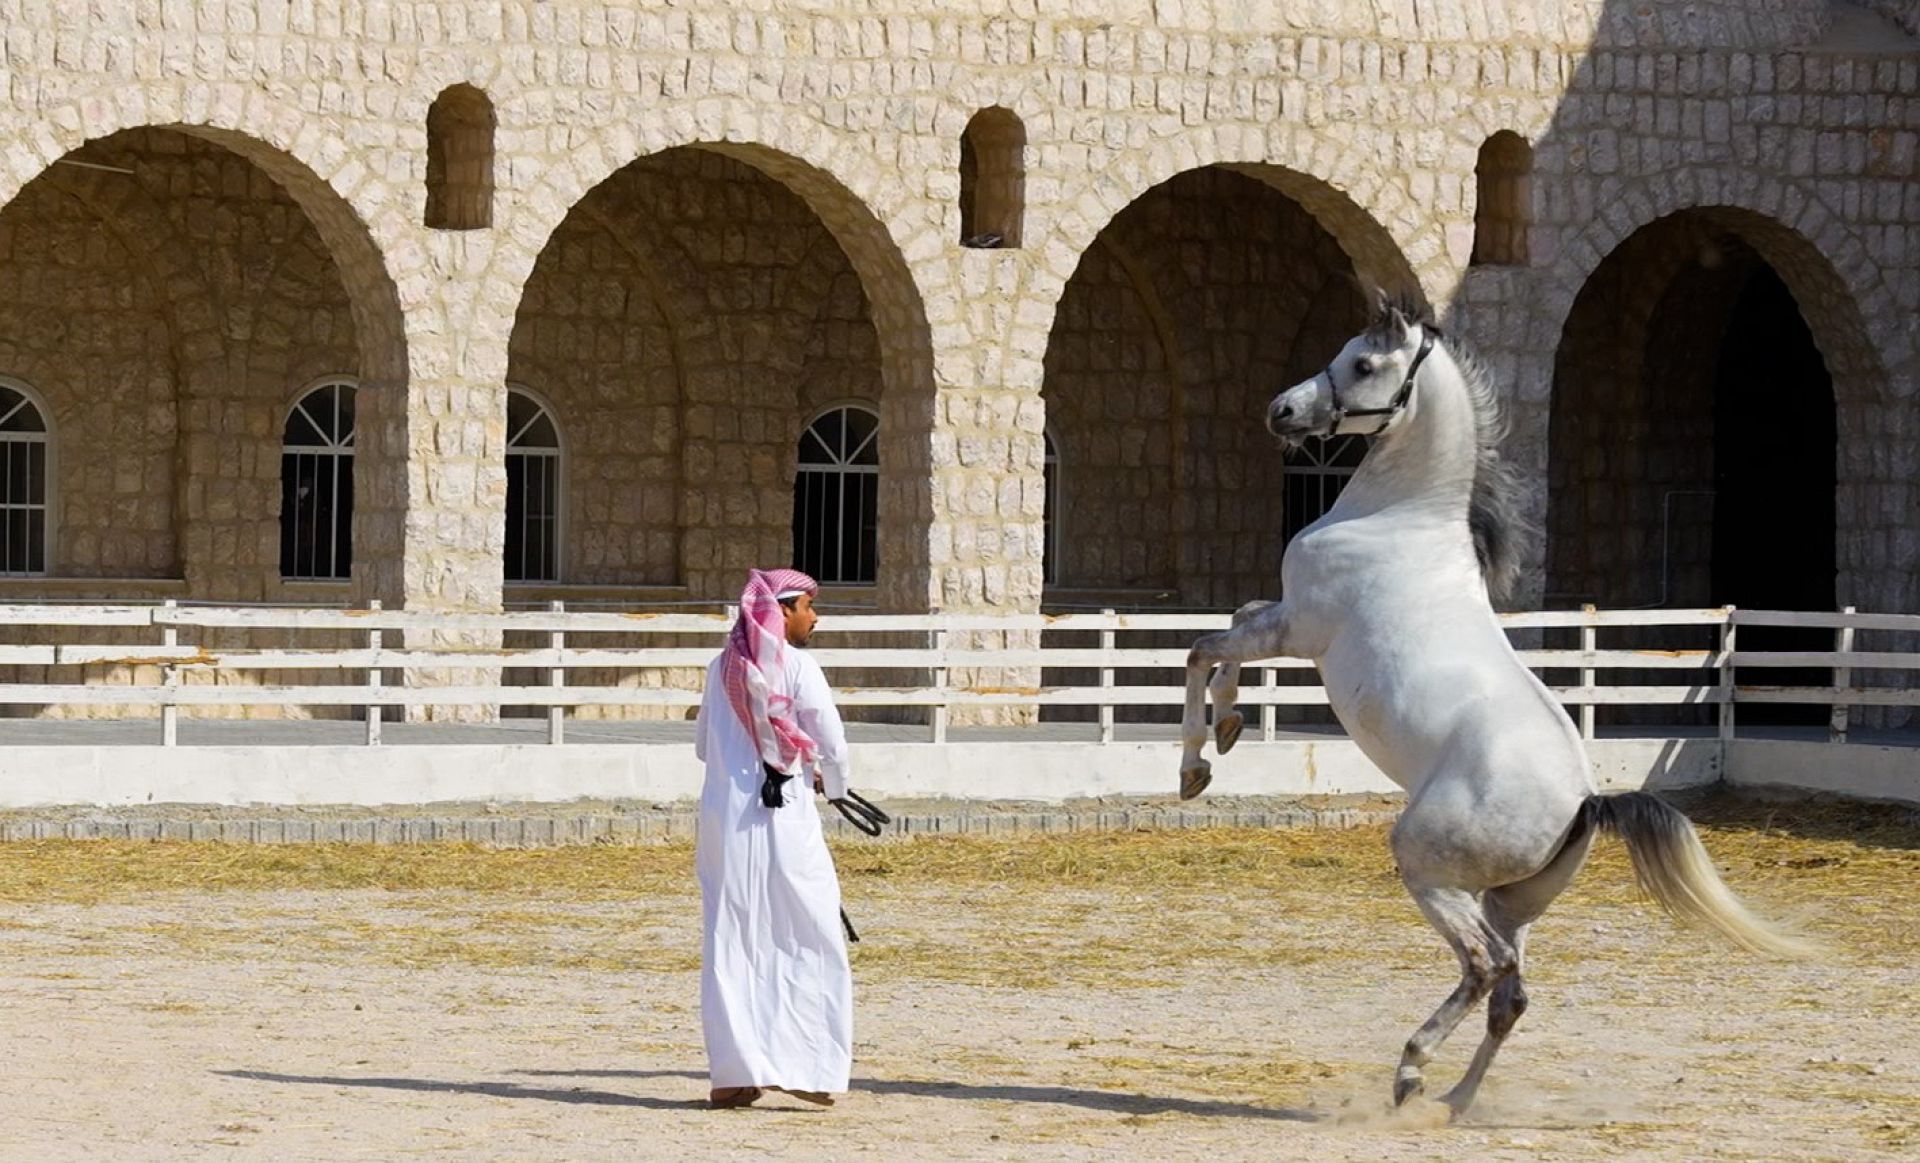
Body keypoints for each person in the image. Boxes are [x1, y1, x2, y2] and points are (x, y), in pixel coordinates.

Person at [694, 567, 854, 1110]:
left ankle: (734, 1074)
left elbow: (702, 747)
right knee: (808, 927)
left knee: (731, 935)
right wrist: (832, 785)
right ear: (783, 610)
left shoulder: (721, 668)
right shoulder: (799, 667)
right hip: (783, 816)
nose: (815, 616)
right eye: (809, 605)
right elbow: (830, 743)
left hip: (724, 819)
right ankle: (805, 1066)